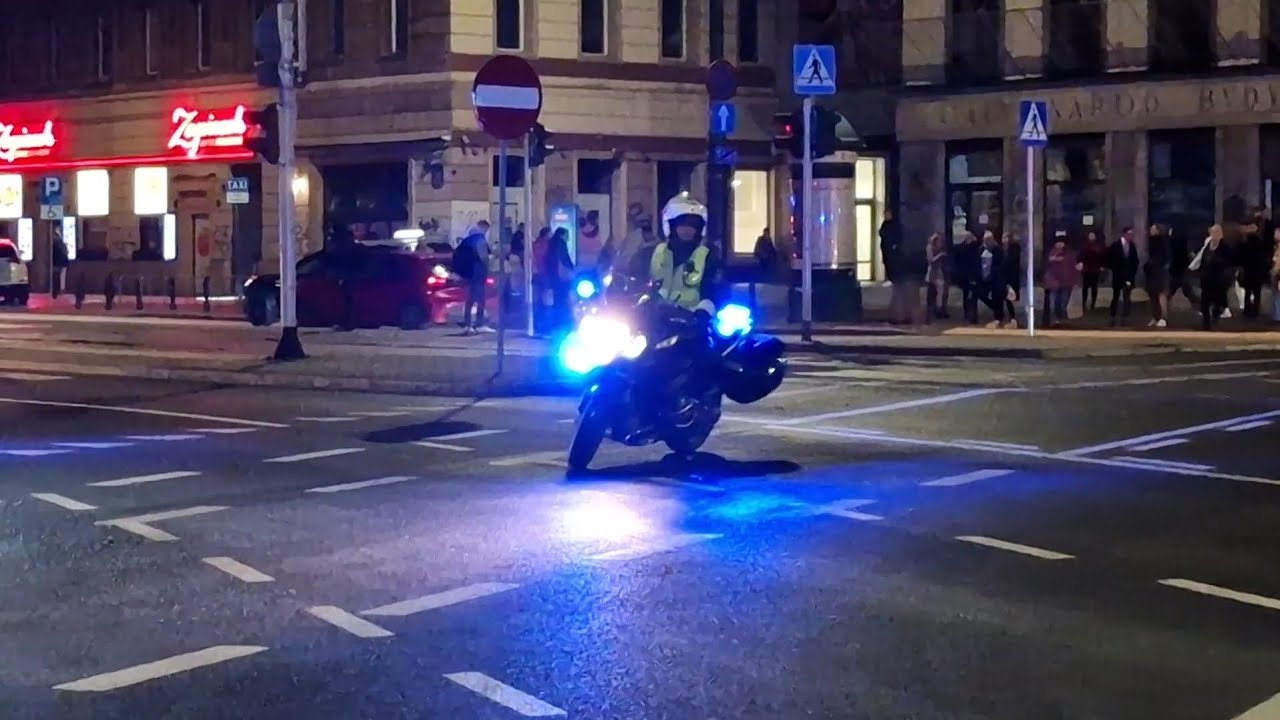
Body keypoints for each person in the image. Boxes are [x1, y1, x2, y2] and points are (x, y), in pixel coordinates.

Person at [648, 194, 720, 311]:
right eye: (681, 224)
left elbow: (715, 290)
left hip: (692, 323)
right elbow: (633, 279)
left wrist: (704, 310)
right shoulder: (652, 253)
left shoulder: (708, 257)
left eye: (693, 225)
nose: (687, 229)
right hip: (651, 320)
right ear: (671, 226)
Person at [456, 221, 492, 334]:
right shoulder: (480, 240)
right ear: (484, 228)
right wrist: (490, 261)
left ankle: (468, 324)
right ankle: (477, 324)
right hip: (478, 273)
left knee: (471, 299)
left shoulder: (468, 240)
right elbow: (483, 257)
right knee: (479, 299)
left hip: (470, 274)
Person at [1042, 235, 1081, 328]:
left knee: (1063, 301)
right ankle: (1057, 319)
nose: (1059, 244)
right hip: (1055, 282)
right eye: (1057, 242)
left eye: (1061, 242)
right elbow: (1049, 265)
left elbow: (1074, 267)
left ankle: (1062, 319)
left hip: (1066, 282)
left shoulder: (1070, 254)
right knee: (1057, 301)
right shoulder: (1052, 253)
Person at [1198, 224, 1231, 330]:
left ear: (1221, 235)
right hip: (1206, 279)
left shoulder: (1225, 247)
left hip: (1218, 280)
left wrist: (1216, 260)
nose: (1215, 235)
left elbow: (1227, 262)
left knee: (1217, 301)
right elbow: (1202, 260)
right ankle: (1206, 323)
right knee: (1205, 302)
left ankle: (1215, 318)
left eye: (1217, 233)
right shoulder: (1207, 245)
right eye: (1213, 232)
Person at [1107, 226, 1140, 327]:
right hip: (1118, 275)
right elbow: (1110, 259)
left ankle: (1125, 317)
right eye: (1129, 234)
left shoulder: (1132, 246)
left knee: (1127, 297)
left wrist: (1132, 274)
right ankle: (1112, 315)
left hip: (1128, 276)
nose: (1131, 236)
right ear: (1124, 234)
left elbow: (1135, 261)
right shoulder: (1116, 245)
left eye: (1132, 234)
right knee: (1116, 296)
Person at [1145, 224, 1171, 327]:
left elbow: (1166, 256)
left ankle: (1163, 318)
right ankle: (1155, 317)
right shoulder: (1151, 241)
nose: (1151, 230)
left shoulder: (1163, 241)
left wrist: (1162, 266)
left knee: (1161, 294)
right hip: (1152, 272)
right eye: (1151, 229)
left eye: (1154, 229)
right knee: (1153, 295)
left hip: (1160, 271)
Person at [924, 233, 949, 321]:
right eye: (938, 241)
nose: (940, 243)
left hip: (938, 273)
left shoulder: (939, 249)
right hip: (932, 273)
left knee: (939, 292)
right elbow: (931, 260)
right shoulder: (930, 248)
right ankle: (931, 313)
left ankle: (938, 309)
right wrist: (940, 255)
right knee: (931, 294)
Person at [1000, 232, 1022, 328]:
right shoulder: (1004, 249)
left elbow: (1010, 261)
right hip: (1006, 277)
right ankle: (1011, 318)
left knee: (1010, 297)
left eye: (1005, 238)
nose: (1003, 240)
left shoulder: (1014, 248)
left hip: (1011, 277)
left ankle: (1013, 319)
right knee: (1007, 297)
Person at [1079, 231, 1105, 311]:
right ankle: (1092, 304)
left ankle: (1084, 303)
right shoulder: (1097, 247)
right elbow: (1100, 258)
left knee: (1086, 288)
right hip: (1094, 270)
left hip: (1087, 270)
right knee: (1093, 288)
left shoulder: (1085, 247)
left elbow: (1081, 257)